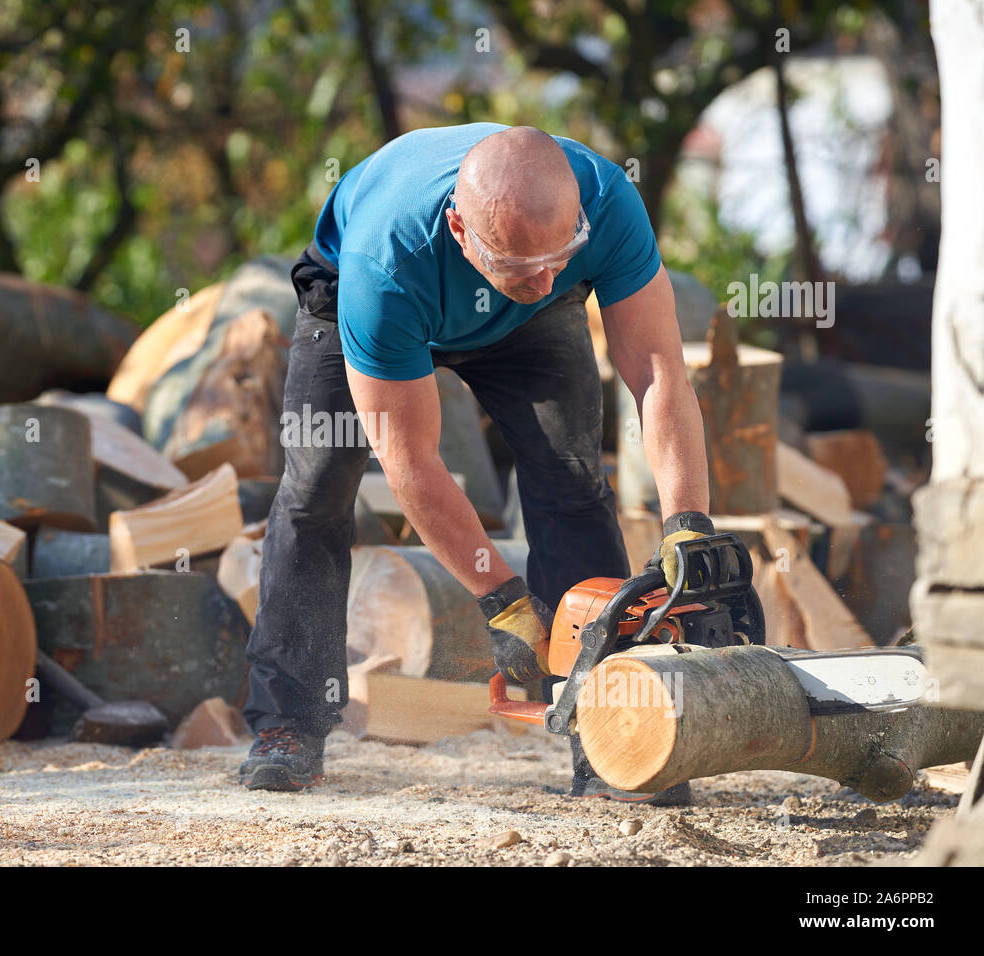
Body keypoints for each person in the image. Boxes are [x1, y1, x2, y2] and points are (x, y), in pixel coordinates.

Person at [238, 124, 711, 802]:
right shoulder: (386, 266)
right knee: (316, 490)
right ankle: (288, 726)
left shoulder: (604, 202)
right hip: (371, 291)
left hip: (525, 320)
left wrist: (686, 522)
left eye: (561, 256)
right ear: (461, 229)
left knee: (572, 483)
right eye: (525, 266)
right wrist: (503, 599)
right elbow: (409, 460)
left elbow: (660, 373)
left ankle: (612, 735)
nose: (548, 278)